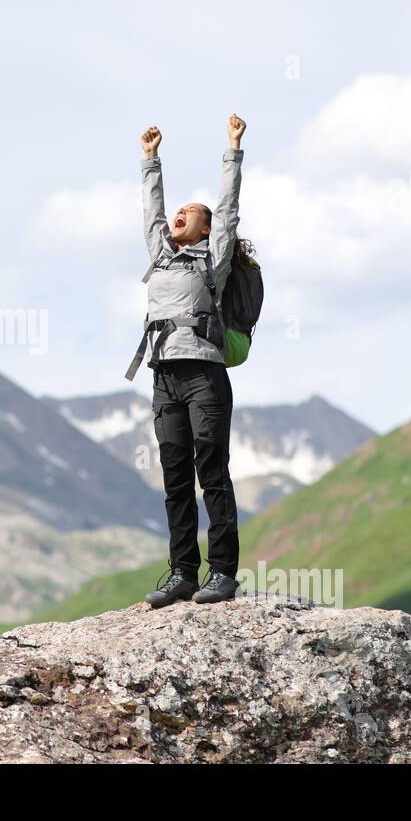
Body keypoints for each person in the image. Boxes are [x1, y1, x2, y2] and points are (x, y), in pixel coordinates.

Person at [137, 115, 246, 607]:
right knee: (175, 475)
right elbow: (151, 209)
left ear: (206, 229)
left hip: (204, 374)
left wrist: (233, 149)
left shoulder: (213, 258)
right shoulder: (160, 254)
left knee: (212, 470)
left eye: (190, 212)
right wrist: (151, 159)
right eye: (178, 210)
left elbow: (228, 207)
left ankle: (222, 573)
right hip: (163, 376)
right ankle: (183, 572)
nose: (179, 213)